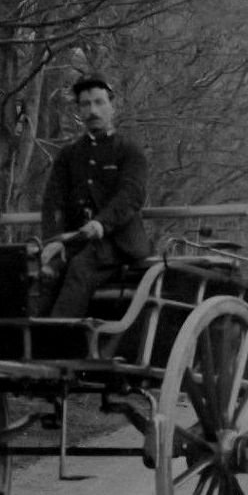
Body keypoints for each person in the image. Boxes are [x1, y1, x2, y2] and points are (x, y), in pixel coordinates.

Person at [39, 76, 151, 317]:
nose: (93, 110)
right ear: (79, 110)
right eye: (86, 104)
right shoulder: (69, 155)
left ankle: (58, 339)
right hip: (77, 242)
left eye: (99, 103)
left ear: (112, 106)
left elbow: (131, 195)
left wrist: (101, 223)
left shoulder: (129, 151)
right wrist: (54, 240)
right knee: (40, 271)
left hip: (118, 244)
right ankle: (24, 337)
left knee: (80, 267)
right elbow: (53, 201)